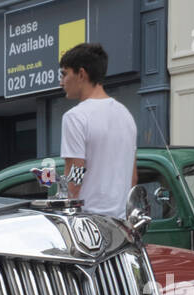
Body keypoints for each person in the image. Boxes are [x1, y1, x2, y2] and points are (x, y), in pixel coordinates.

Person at [58, 42, 138, 217]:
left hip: (88, 223)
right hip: (121, 223)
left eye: (64, 74)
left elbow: (75, 175)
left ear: (81, 74)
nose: (61, 81)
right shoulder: (126, 116)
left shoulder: (75, 117)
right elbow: (133, 178)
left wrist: (66, 208)